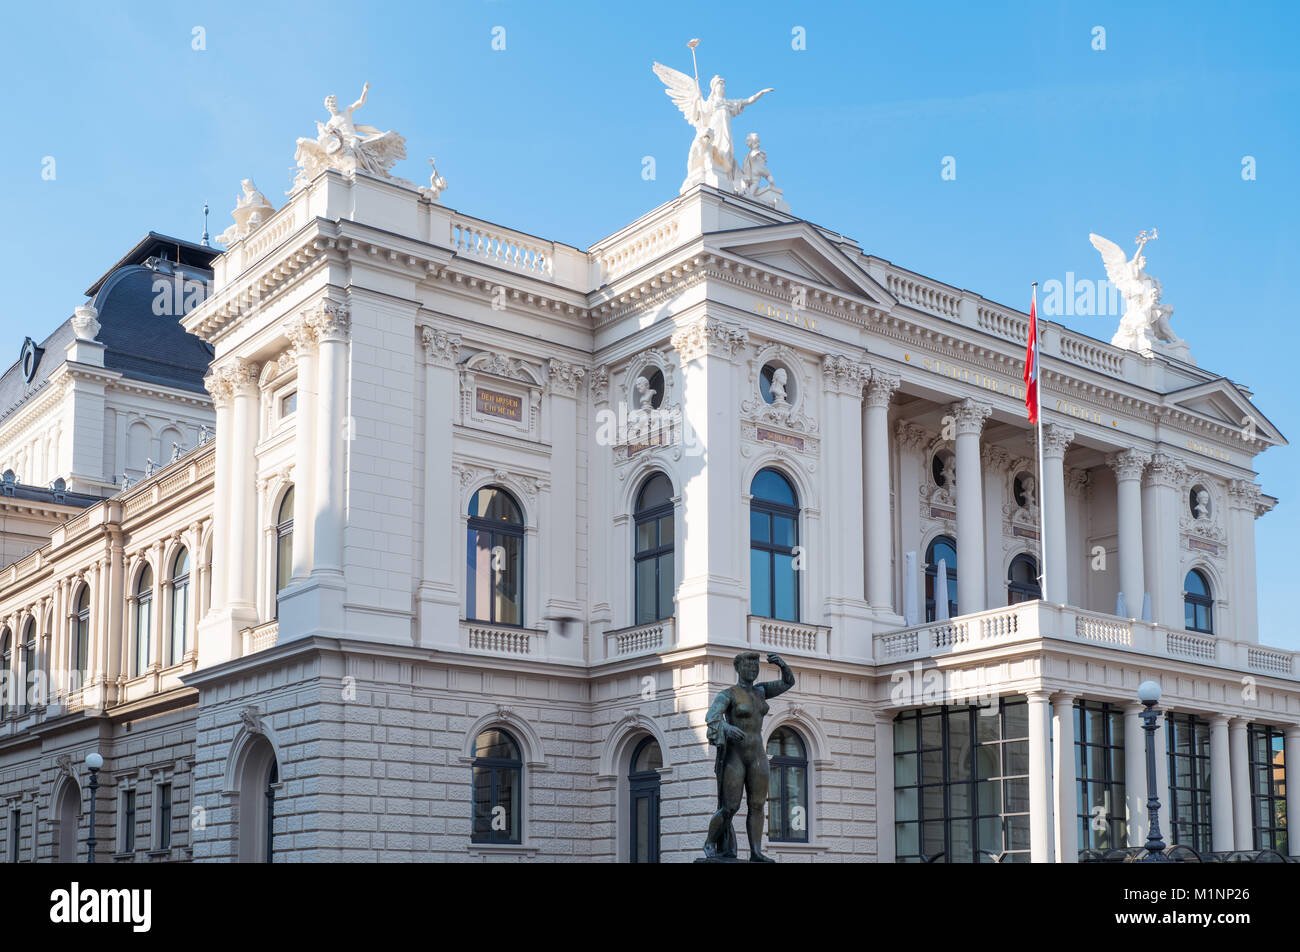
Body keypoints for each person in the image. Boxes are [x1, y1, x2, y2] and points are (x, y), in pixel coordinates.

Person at [701, 651, 796, 861]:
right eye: (748, 666)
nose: (752, 670)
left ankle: (755, 852)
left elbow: (788, 682)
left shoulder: (761, 691)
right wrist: (726, 727)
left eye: (755, 667)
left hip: (757, 755)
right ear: (738, 668)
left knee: (757, 805)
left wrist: (782, 664)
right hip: (735, 757)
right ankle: (710, 841)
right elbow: (711, 717)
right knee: (730, 807)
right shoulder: (729, 694)